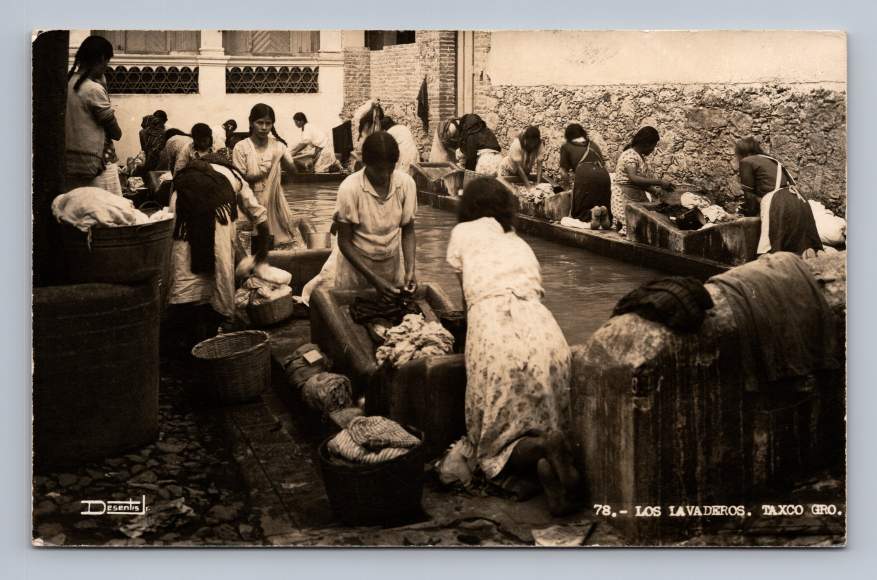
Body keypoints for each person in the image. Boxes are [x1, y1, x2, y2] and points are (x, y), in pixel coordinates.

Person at [445, 177, 580, 516]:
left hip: (495, 332)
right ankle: (552, 448)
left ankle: (539, 450)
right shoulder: (518, 242)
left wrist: (467, 349)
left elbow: (467, 300)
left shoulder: (462, 234)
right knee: (549, 417)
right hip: (545, 333)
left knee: (491, 449)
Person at [167, 154, 270, 349]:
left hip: (181, 210)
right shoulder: (236, 176)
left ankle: (189, 341)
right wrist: (262, 254)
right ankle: (210, 335)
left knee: (182, 262)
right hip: (218, 209)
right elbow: (259, 215)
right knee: (221, 262)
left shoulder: (188, 174)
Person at [334, 131, 417, 297]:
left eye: (390, 168)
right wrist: (374, 279)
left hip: (390, 266)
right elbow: (344, 241)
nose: (385, 175)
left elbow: (408, 230)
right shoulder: (350, 188)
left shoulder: (406, 184)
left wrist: (410, 270)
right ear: (365, 163)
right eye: (379, 170)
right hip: (356, 270)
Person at [735, 137, 823, 255]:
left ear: (742, 153)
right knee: (799, 247)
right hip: (799, 199)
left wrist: (750, 215)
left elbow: (749, 195)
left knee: (770, 251)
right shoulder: (772, 160)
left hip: (779, 202)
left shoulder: (747, 161)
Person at [232, 103, 301, 248]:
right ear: (251, 123)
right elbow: (239, 179)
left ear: (272, 125)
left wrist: (287, 164)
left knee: (279, 244)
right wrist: (264, 173)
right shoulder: (241, 147)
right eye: (260, 123)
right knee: (251, 244)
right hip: (249, 204)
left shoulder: (278, 146)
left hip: (274, 203)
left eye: (268, 123)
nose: (264, 127)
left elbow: (293, 173)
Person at [64, 35, 123, 195]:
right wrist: (104, 87)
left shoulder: (67, 84)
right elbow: (116, 133)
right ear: (103, 58)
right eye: (107, 62)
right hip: (98, 166)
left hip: (70, 165)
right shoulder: (93, 89)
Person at [611, 126, 674, 234]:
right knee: (636, 228)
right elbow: (634, 178)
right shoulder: (630, 156)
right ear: (646, 144)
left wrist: (655, 191)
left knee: (651, 219)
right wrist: (659, 182)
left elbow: (640, 183)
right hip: (624, 198)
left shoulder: (639, 157)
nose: (653, 150)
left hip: (635, 196)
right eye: (653, 147)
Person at [559, 123, 612, 222]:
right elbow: (603, 163)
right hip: (604, 175)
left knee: (579, 212)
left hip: (585, 175)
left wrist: (567, 189)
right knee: (602, 203)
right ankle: (605, 215)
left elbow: (563, 172)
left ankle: (590, 213)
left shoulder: (566, 146)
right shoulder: (593, 144)